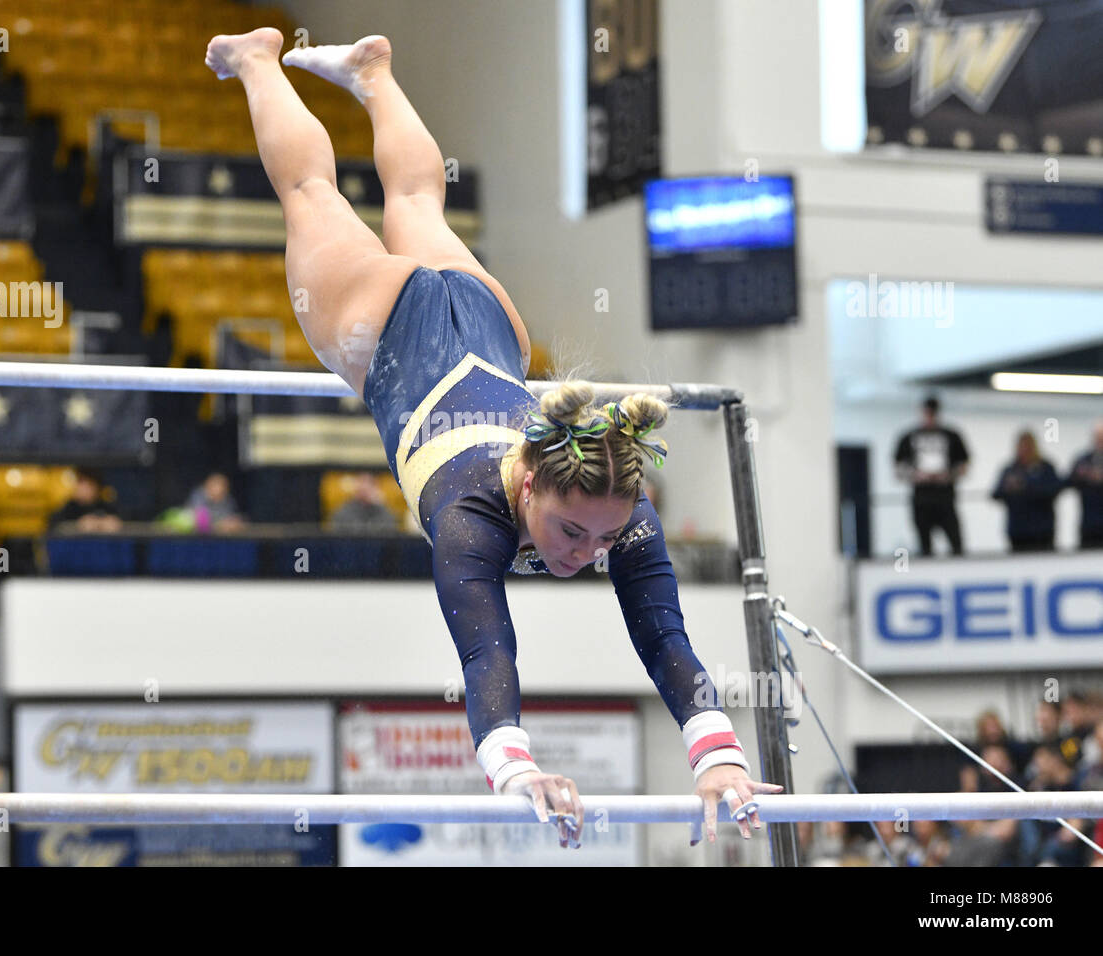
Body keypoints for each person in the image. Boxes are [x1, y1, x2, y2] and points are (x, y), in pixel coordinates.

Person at [205, 28, 778, 849]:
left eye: (607, 536)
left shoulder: (619, 502)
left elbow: (664, 637)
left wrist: (717, 756)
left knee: (415, 206)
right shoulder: (471, 514)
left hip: (484, 328)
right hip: (383, 327)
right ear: (528, 485)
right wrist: (516, 768)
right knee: (310, 191)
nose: (589, 551)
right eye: (571, 531)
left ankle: (372, 74)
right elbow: (486, 655)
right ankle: (256, 58)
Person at [892, 395, 969, 556]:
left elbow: (963, 464)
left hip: (945, 497)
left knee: (956, 543)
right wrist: (916, 476)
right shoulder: (909, 436)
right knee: (924, 546)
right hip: (921, 498)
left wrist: (948, 476)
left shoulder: (951, 435)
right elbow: (898, 468)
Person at [991, 430, 1061, 552]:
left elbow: (1054, 490)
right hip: (1017, 529)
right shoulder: (1010, 469)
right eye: (1021, 447)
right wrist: (1009, 488)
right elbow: (995, 494)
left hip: (1042, 529)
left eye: (1027, 447)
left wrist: (1026, 486)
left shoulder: (1045, 468)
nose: (1023, 451)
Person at [47, 469, 123, 533]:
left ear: (96, 486)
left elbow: (125, 521)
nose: (81, 488)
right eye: (79, 482)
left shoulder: (106, 503)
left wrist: (110, 523)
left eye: (87, 483)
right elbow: (53, 526)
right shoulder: (68, 507)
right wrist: (76, 526)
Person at [1066, 420, 1103, 548]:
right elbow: (1068, 481)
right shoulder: (1083, 460)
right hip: (1089, 523)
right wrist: (1082, 475)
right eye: (1098, 438)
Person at [326, 471, 399, 533]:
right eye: (361, 481)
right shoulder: (344, 511)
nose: (364, 487)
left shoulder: (382, 510)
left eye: (369, 483)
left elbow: (391, 528)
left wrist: (380, 505)